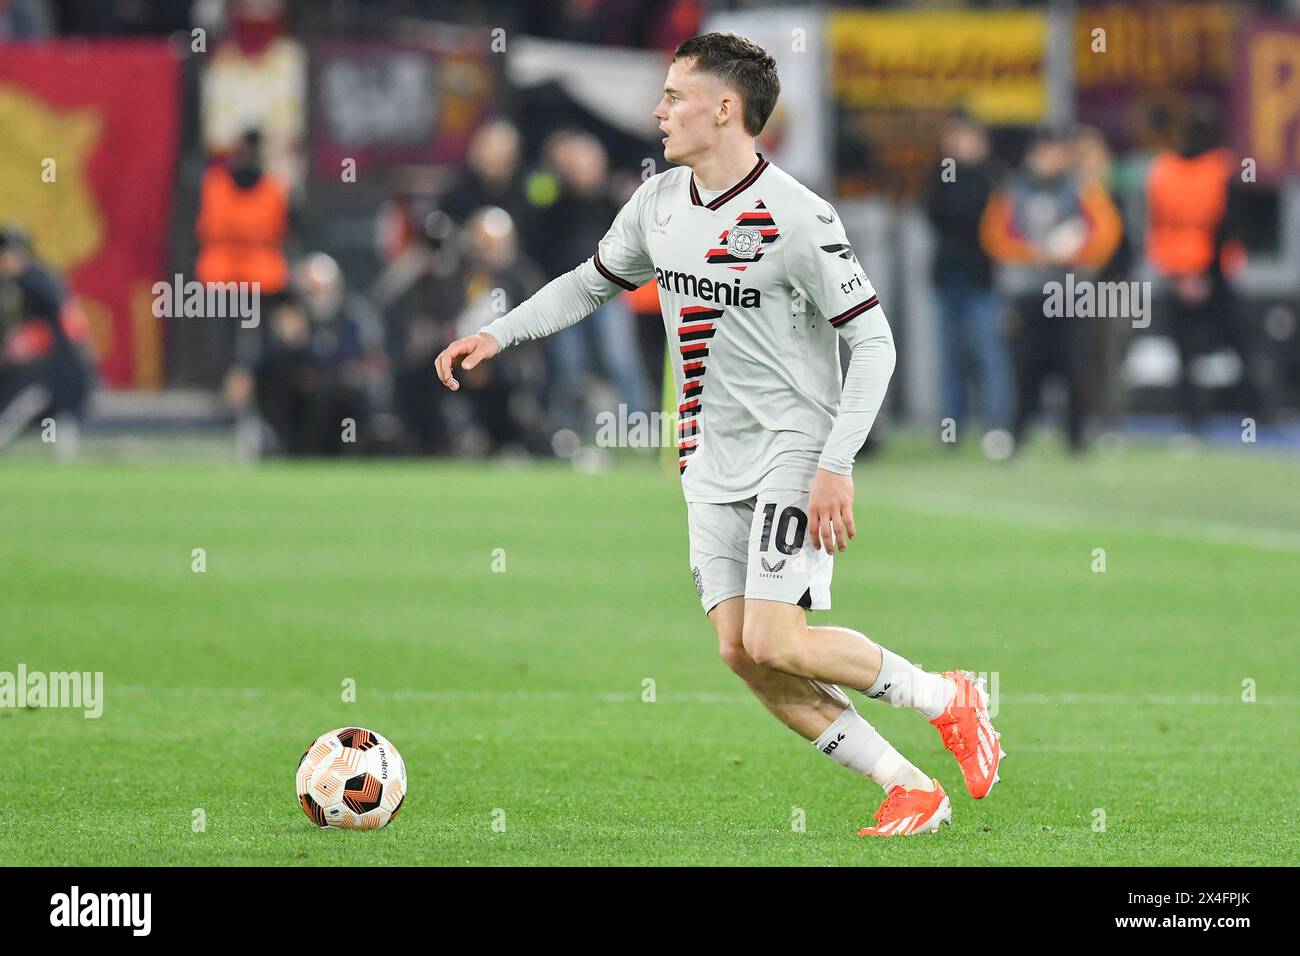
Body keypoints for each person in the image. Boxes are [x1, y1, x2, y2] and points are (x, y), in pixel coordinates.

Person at [435, 33, 1002, 837]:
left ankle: (952, 698)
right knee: (741, 652)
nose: (658, 110)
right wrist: (500, 334)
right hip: (707, 454)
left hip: (791, 445)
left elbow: (873, 339)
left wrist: (835, 462)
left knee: (779, 637)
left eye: (674, 95)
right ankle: (908, 785)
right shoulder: (659, 201)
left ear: (725, 110)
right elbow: (590, 284)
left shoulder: (799, 216)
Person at [981, 124, 1122, 454]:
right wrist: (1033, 252)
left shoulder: (1081, 189)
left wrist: (1076, 252)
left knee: (1075, 365)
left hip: (1068, 294)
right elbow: (995, 235)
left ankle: (1075, 438)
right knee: (1026, 368)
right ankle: (1017, 437)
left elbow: (1105, 232)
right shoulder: (1013, 189)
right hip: (1027, 293)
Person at [1145, 110, 1250, 432]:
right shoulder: (1218, 168)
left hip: (1190, 269)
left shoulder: (1165, 167)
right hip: (1196, 269)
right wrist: (1198, 274)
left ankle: (1234, 409)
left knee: (1228, 344)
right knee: (1205, 347)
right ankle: (1213, 413)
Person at [924, 111, 1012, 456]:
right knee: (950, 357)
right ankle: (951, 429)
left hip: (982, 277)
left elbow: (988, 218)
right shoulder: (941, 172)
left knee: (990, 353)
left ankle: (996, 426)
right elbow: (935, 211)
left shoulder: (992, 174)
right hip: (949, 276)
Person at [0, 225, 94, 455]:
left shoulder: (33, 279)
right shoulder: (27, 280)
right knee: (51, 412)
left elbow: (62, 323)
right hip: (49, 367)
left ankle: (66, 464)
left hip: (55, 366)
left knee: (38, 406)